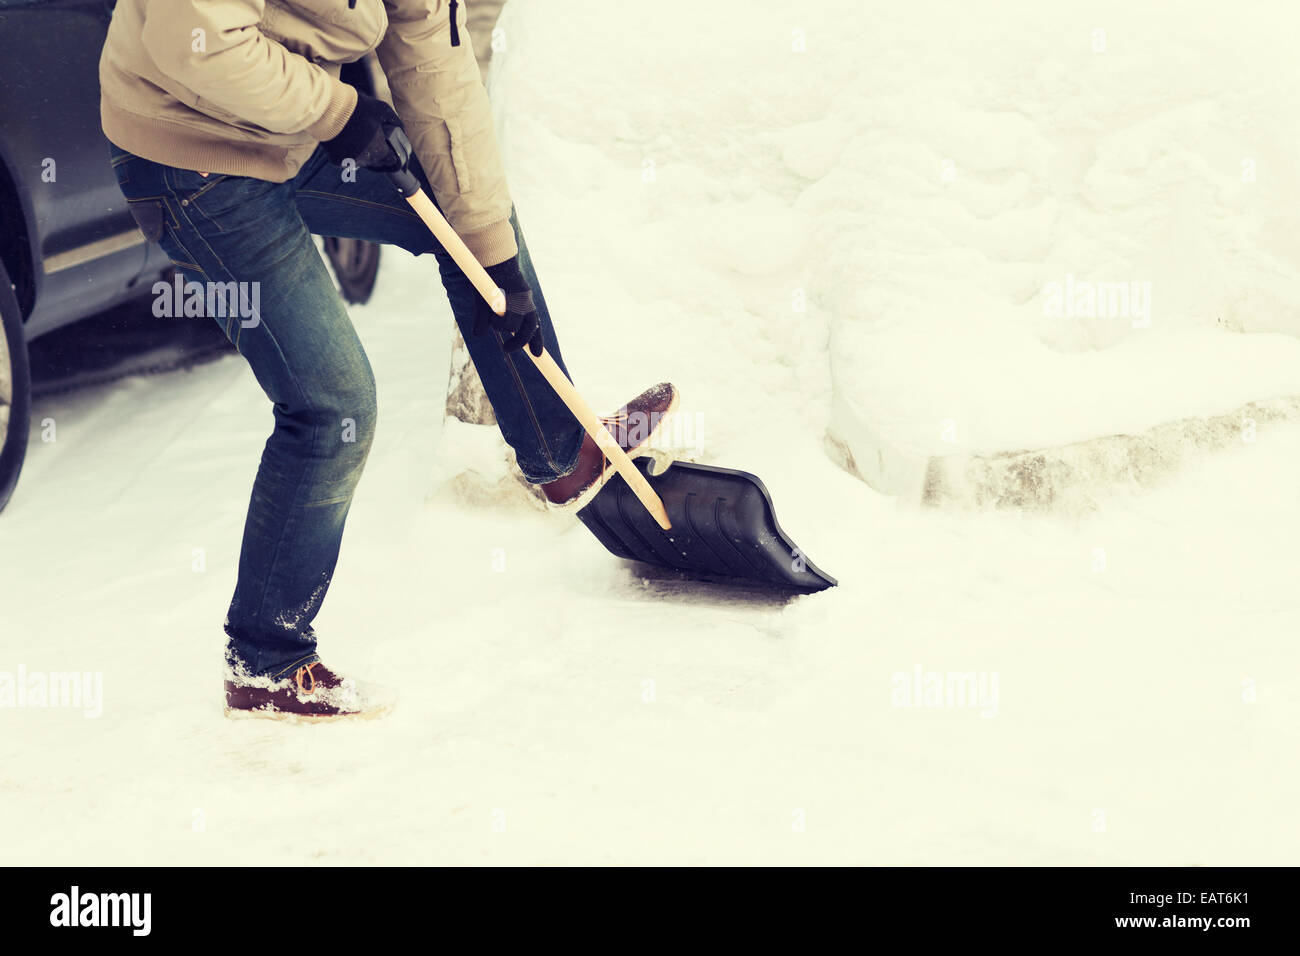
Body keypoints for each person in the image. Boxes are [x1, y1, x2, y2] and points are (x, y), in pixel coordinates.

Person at [99, 0, 677, 722]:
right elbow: (196, 43)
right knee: (332, 405)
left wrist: (499, 266)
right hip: (188, 154)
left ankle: (561, 454)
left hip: (285, 124)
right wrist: (340, 113)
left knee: (469, 227)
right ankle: (266, 660)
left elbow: (439, 77)